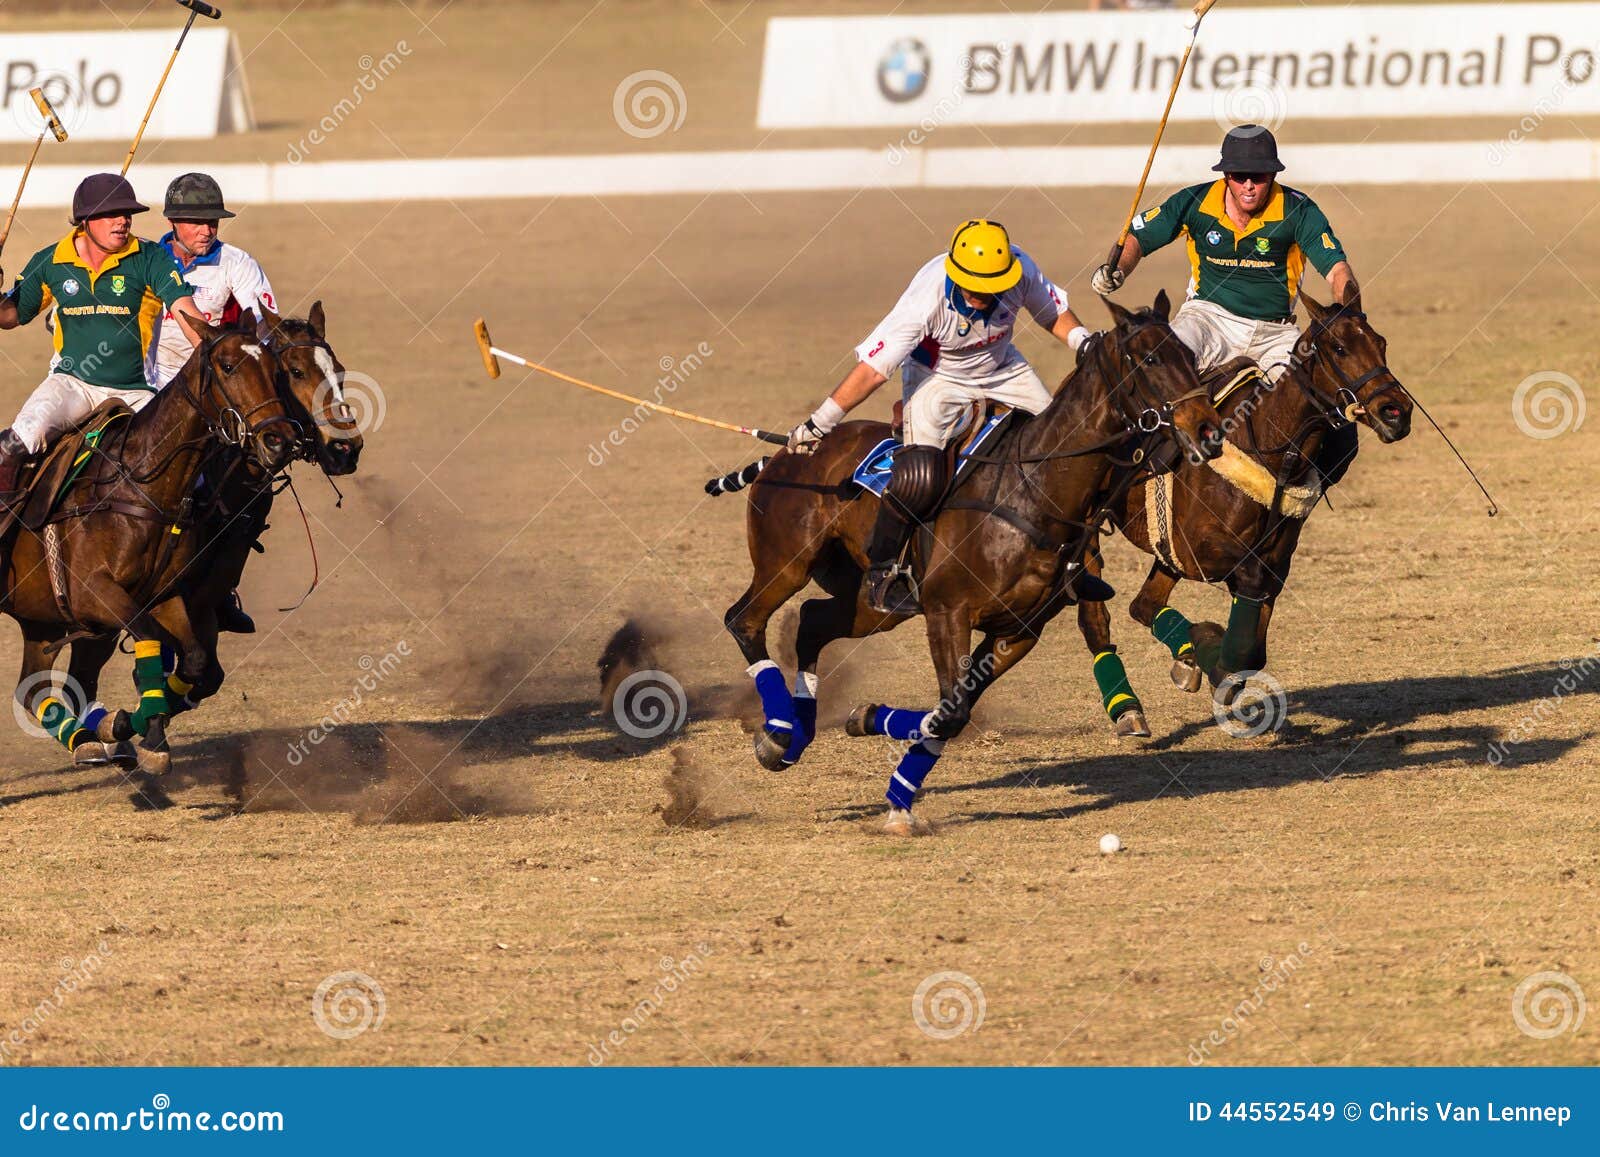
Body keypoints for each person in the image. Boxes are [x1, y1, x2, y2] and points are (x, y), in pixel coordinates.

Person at [786, 219, 1102, 615]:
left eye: (991, 288)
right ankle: (883, 572)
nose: (981, 296)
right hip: (937, 379)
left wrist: (1084, 341)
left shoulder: (1020, 267)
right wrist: (820, 422)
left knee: (1068, 449)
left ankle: (1073, 562)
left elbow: (1052, 313)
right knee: (920, 475)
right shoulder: (925, 301)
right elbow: (872, 371)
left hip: (1004, 369)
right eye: (974, 287)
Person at [1093, 124, 1359, 384]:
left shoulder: (1298, 210)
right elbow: (1137, 237)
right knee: (1165, 364)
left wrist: (1350, 315)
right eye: (1239, 176)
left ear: (1273, 176)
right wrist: (1117, 269)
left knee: (1317, 397)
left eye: (1258, 176)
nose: (1248, 185)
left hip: (1276, 334)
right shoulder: (1194, 201)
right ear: (1226, 175)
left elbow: (1337, 270)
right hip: (1207, 320)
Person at [0, 173, 204, 506]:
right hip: (72, 384)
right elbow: (9, 317)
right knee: (16, 443)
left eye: (127, 214)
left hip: (135, 390)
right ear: (85, 221)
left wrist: (213, 349)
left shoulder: (149, 257)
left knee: (193, 475)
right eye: (113, 214)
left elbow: (186, 312)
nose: (124, 221)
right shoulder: (52, 261)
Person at [149, 173, 281, 633]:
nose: (207, 230)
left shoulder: (237, 264)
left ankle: (219, 585)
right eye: (196, 221)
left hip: (211, 397)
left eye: (213, 222)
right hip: (143, 386)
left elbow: (262, 328)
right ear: (172, 221)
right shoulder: (144, 261)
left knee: (241, 488)